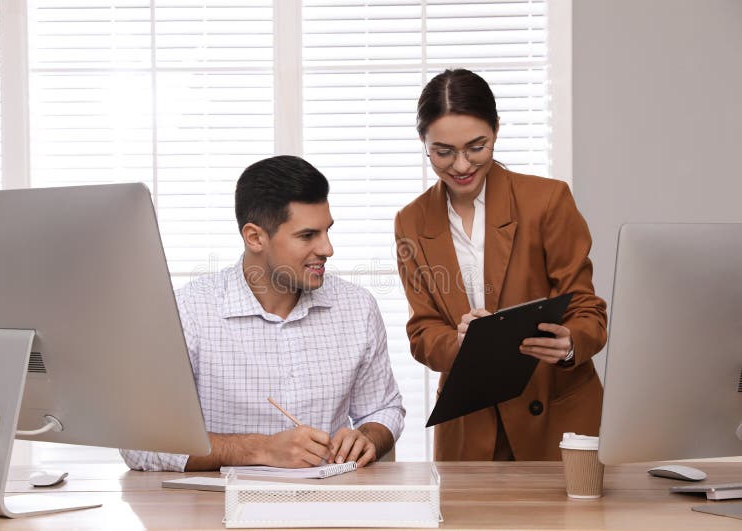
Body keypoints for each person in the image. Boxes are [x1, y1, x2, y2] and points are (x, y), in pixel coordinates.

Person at [122, 155, 405, 471]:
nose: (328, 249)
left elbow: (384, 409)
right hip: (218, 511)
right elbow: (140, 444)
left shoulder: (358, 307)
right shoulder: (188, 312)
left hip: (330, 506)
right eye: (308, 235)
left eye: (327, 231)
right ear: (255, 237)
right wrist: (261, 450)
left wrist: (367, 435)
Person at [394, 69, 607, 461]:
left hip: (553, 412)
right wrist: (457, 343)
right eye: (442, 151)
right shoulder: (410, 221)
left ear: (496, 130)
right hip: (469, 421)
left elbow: (588, 310)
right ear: (423, 142)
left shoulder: (548, 200)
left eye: (477, 147)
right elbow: (422, 331)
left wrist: (570, 343)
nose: (461, 166)